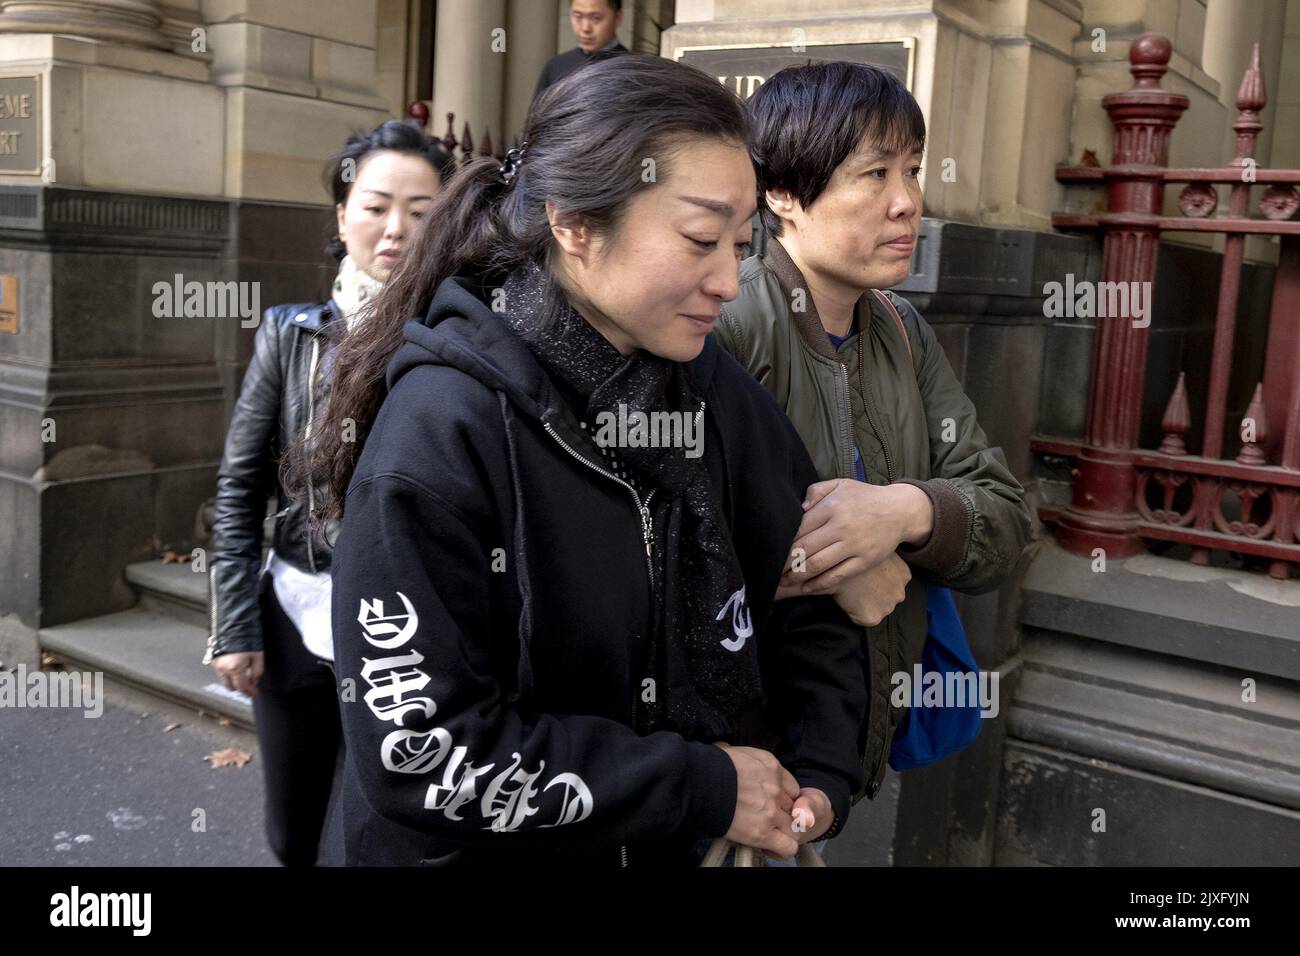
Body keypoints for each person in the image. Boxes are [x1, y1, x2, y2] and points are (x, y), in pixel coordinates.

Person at [305, 54, 868, 867]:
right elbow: (422, 754)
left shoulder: (709, 389)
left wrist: (819, 772)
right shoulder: (440, 433)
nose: (727, 280)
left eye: (741, 245)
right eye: (701, 239)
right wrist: (700, 785)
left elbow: (808, 581)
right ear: (573, 223)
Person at [713, 62, 1033, 810]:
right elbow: (670, 549)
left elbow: (1008, 516)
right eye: (875, 174)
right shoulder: (728, 323)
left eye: (914, 170)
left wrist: (903, 513)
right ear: (785, 194)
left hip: (855, 740)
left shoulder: (899, 328)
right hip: (742, 750)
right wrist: (827, 563)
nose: (907, 202)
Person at [204, 120, 454, 866]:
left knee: (381, 830)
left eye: (421, 210)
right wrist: (234, 624)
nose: (396, 229)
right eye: (376, 205)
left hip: (402, 630)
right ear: (342, 214)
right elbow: (240, 482)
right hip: (296, 613)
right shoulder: (290, 333)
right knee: (293, 830)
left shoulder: (457, 338)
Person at [533, 0, 628, 100]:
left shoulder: (631, 68)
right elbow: (537, 114)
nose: (585, 28)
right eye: (578, 16)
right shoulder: (555, 66)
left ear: (617, 18)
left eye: (596, 18)